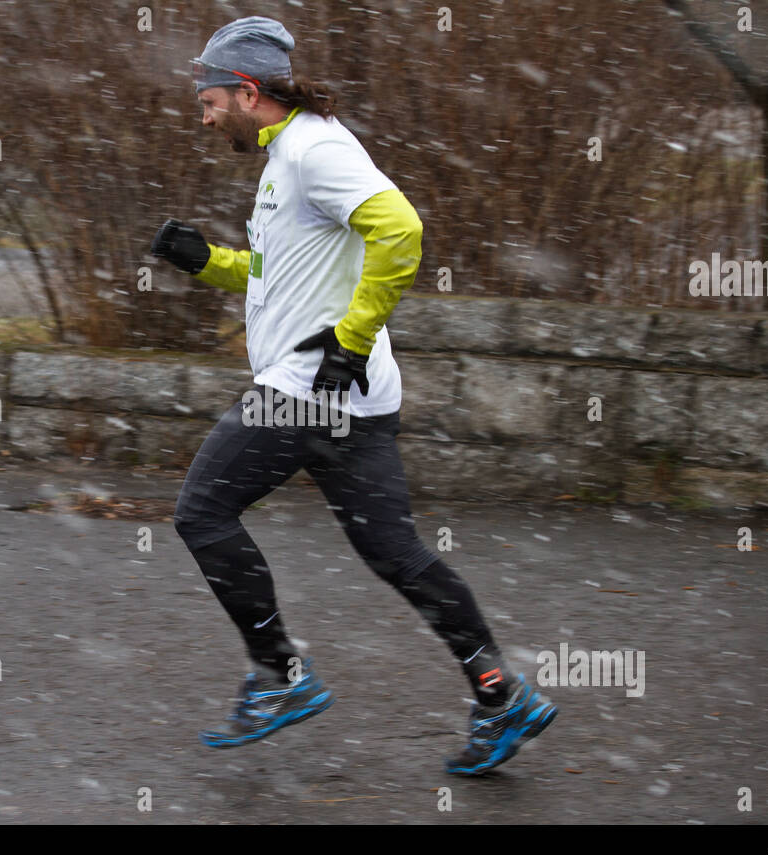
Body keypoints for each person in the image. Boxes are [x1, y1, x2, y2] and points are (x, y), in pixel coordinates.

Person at [151, 16, 556, 775]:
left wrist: (352, 338)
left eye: (208, 100)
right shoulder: (293, 154)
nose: (202, 115)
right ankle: (502, 696)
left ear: (245, 92)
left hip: (306, 389)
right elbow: (285, 273)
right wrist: (207, 261)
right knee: (396, 554)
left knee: (202, 512)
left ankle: (279, 676)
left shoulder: (314, 148)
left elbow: (401, 230)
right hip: (350, 400)